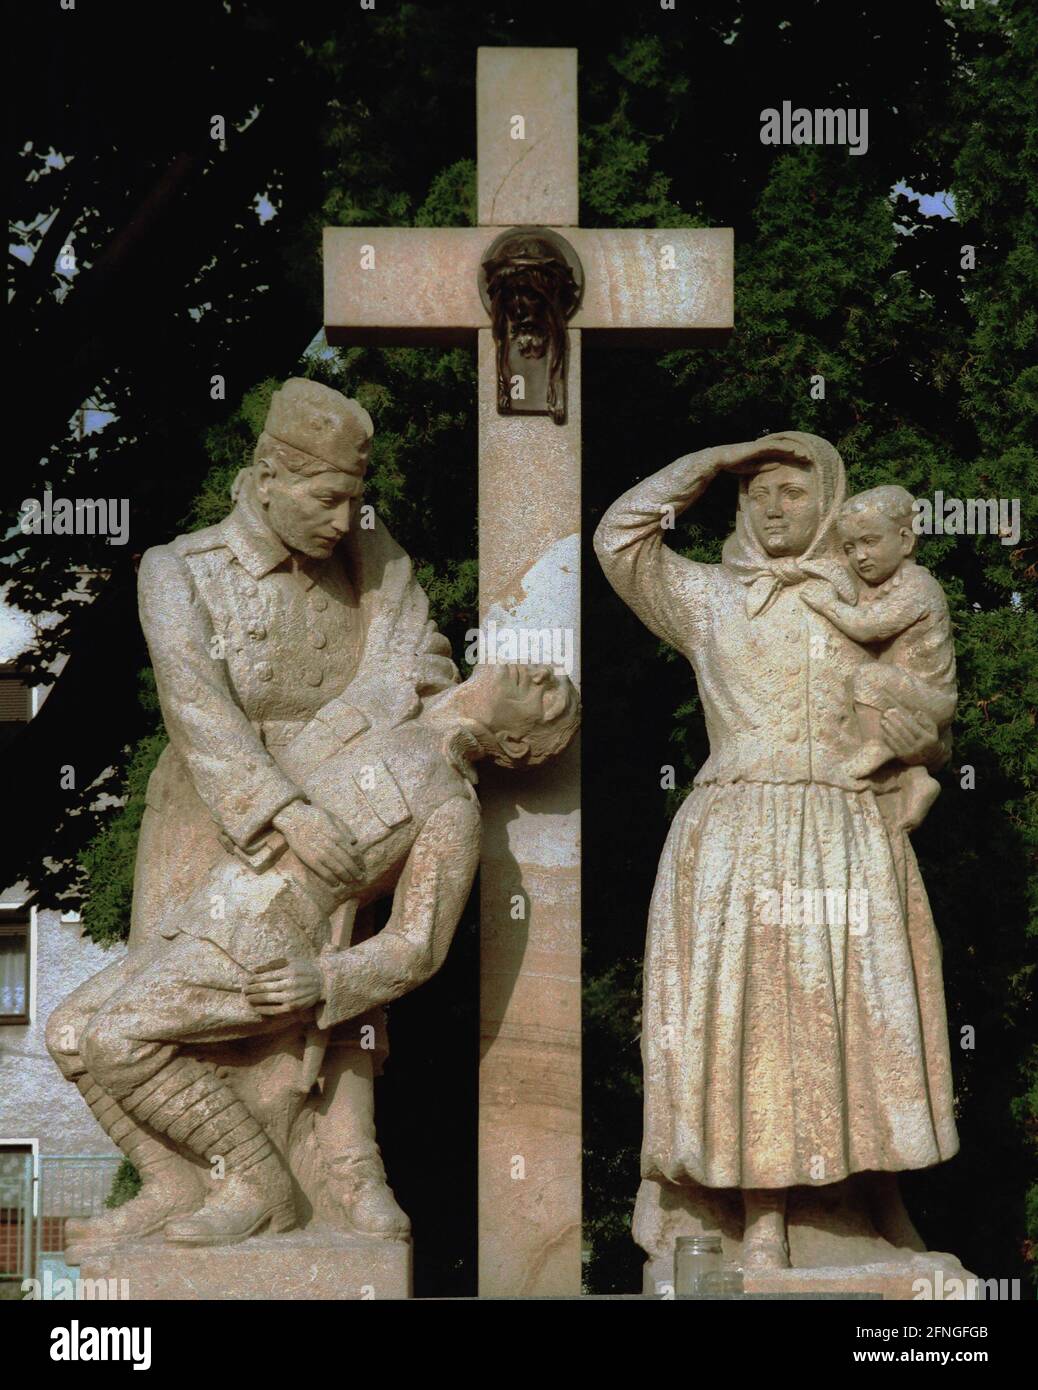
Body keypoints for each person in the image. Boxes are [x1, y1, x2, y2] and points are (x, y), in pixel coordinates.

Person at [53, 377, 459, 1247]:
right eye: (328, 496)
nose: (345, 516)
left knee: (337, 990)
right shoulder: (180, 570)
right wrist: (280, 811)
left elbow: (425, 663)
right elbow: (196, 707)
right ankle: (185, 1178)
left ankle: (351, 1167)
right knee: (181, 1007)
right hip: (215, 811)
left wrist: (349, 741)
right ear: (270, 474)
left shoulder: (374, 562)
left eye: (356, 498)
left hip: (343, 802)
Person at [49, 662, 579, 1247]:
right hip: (208, 902)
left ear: (510, 743)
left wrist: (325, 981)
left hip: (268, 942)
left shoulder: (452, 809)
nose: (541, 676)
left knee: (112, 1041)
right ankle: (170, 1183)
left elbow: (417, 946)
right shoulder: (385, 697)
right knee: (68, 1029)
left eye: (551, 698)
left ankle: (254, 1184)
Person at [594, 432, 958, 1271]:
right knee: (756, 1020)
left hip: (844, 826)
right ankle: (758, 1213)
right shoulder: (708, 598)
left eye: (793, 491)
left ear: (828, 504)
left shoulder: (876, 592)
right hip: (739, 833)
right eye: (756, 492)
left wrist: (919, 761)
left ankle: (880, 1202)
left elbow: (929, 711)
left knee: (869, 1020)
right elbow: (619, 535)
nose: (772, 505)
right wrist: (721, 456)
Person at [800, 484, 957, 830]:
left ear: (905, 541)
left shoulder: (918, 585)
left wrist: (827, 603)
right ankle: (914, 780)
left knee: (869, 678)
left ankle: (876, 747)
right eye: (850, 548)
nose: (859, 556)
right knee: (871, 679)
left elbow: (868, 628)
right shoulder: (884, 587)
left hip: (930, 698)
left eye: (870, 542)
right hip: (906, 694)